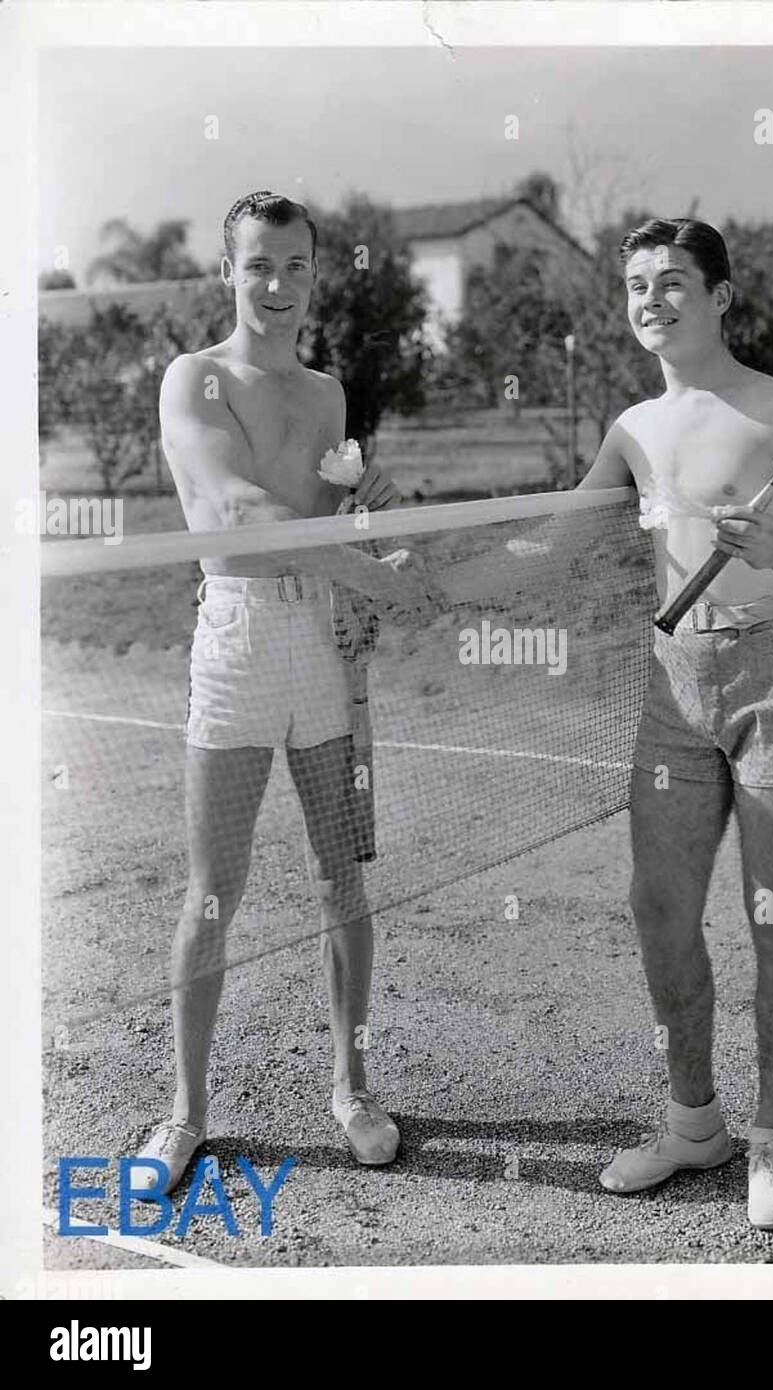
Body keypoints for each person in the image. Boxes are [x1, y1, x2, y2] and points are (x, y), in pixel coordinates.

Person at [134, 191, 421, 1194]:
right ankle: (185, 1113)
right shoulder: (193, 379)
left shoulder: (329, 394)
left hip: (320, 646)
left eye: (295, 265)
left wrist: (367, 510)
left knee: (344, 881)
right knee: (214, 890)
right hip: (236, 643)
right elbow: (235, 505)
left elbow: (329, 513)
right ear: (228, 271)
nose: (278, 284)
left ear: (313, 275)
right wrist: (378, 569)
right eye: (258, 264)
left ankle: (349, 1085)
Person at [576, 218, 773, 1228]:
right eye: (636, 286)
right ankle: (693, 1121)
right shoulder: (631, 428)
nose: (651, 301)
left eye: (673, 283)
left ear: (721, 296)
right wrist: (413, 559)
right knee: (659, 907)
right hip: (672, 685)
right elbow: (552, 539)